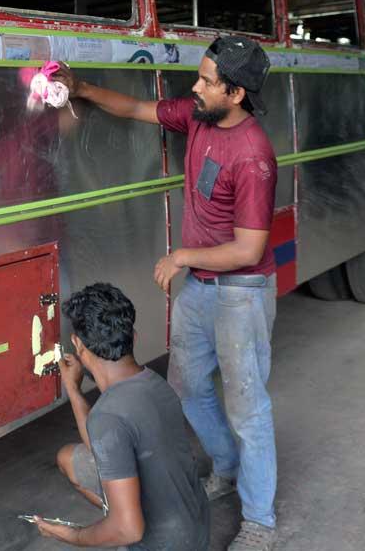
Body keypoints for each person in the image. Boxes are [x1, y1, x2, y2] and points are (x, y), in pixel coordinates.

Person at [51, 36, 279, 551]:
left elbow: (249, 249)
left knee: (248, 407)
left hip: (241, 291)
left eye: (207, 81)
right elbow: (136, 108)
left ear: (236, 94)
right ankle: (226, 470)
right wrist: (80, 88)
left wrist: (181, 257)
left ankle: (261, 521)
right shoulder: (199, 117)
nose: (195, 87)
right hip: (202, 286)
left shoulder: (253, 155)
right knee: (188, 386)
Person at [34, 282, 209, 550]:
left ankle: (117, 514)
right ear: (133, 337)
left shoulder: (108, 417)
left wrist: (71, 535)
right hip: (195, 527)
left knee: (122, 526)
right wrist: (74, 390)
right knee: (69, 458)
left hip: (163, 544)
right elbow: (104, 448)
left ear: (78, 344)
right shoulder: (155, 383)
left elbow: (128, 529)